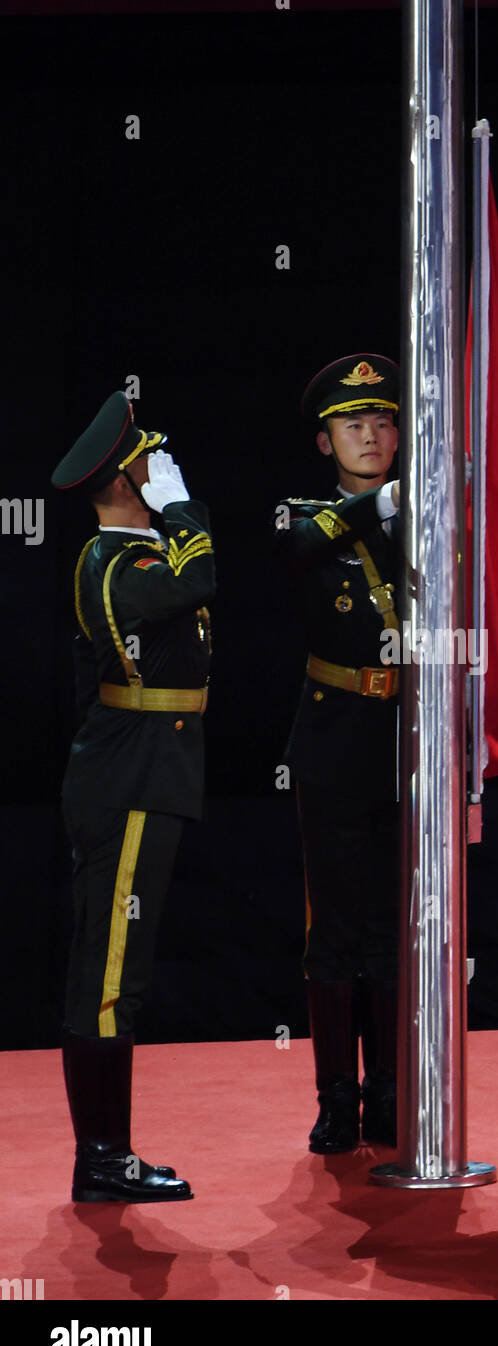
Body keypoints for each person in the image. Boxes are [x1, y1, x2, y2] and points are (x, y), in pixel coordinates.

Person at [51, 391, 215, 1201]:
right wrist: (180, 508)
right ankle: (104, 1159)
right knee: (112, 968)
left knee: (119, 963)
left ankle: (104, 1154)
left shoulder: (133, 559)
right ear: (129, 478)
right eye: (151, 459)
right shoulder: (116, 564)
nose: (165, 469)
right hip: (131, 780)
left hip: (146, 773)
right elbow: (200, 577)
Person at [273, 355, 401, 1154]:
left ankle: (389, 1094)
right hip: (332, 737)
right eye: (352, 424)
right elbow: (300, 548)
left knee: (395, 926)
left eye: (383, 421)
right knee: (335, 928)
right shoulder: (303, 514)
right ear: (325, 442)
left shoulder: (426, 521)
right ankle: (336, 1100)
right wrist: (380, 505)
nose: (369, 433)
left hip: (406, 740)